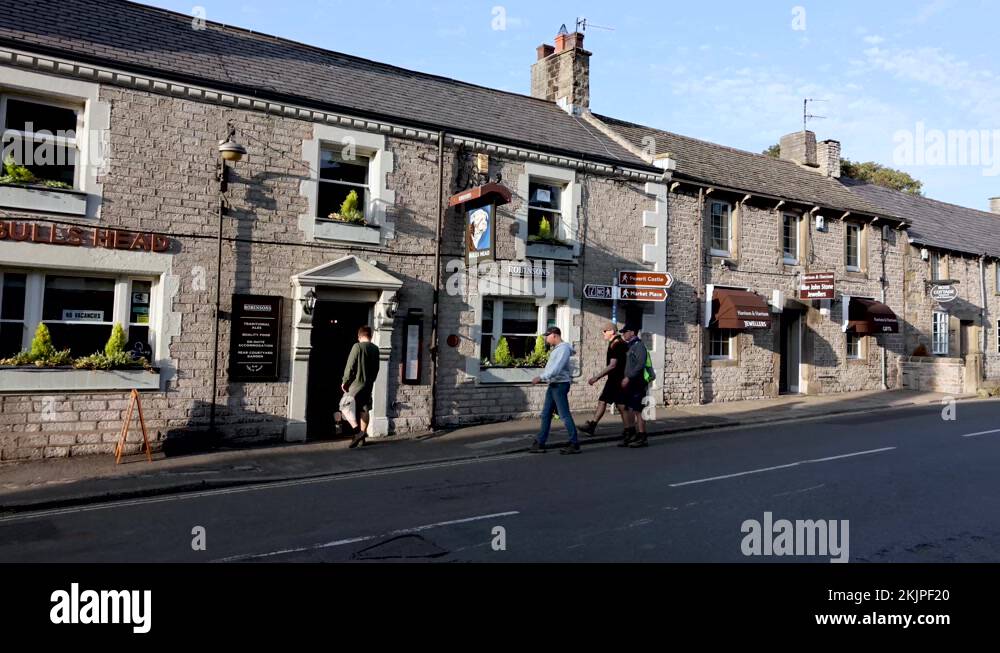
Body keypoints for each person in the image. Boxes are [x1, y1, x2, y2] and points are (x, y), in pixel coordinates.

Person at [528, 326, 580, 455]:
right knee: (546, 414)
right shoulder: (557, 349)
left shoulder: (563, 349)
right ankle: (540, 442)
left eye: (547, 335)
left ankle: (574, 443)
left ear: (555, 335)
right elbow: (552, 368)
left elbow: (556, 369)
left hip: (560, 385)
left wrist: (541, 377)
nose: (546, 338)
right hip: (554, 384)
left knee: (564, 415)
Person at [580, 323, 628, 437]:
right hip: (615, 379)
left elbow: (612, 365)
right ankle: (593, 426)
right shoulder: (617, 343)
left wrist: (596, 377)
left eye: (604, 331)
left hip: (616, 379)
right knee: (609, 402)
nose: (603, 333)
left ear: (611, 331)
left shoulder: (616, 345)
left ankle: (629, 429)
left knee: (617, 404)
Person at [341, 325, 380, 448]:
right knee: (364, 408)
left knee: (344, 405)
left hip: (357, 383)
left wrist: (345, 381)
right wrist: (371, 380)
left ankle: (358, 432)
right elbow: (377, 368)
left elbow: (350, 365)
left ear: (359, 336)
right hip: (368, 383)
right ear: (370, 336)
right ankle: (362, 439)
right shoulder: (375, 349)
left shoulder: (357, 347)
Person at [620, 323, 652, 448]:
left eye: (625, 332)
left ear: (632, 332)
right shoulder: (630, 346)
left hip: (637, 383)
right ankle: (632, 435)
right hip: (631, 383)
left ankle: (642, 437)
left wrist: (628, 377)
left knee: (638, 410)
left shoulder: (639, 346)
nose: (623, 334)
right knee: (628, 408)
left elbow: (640, 364)